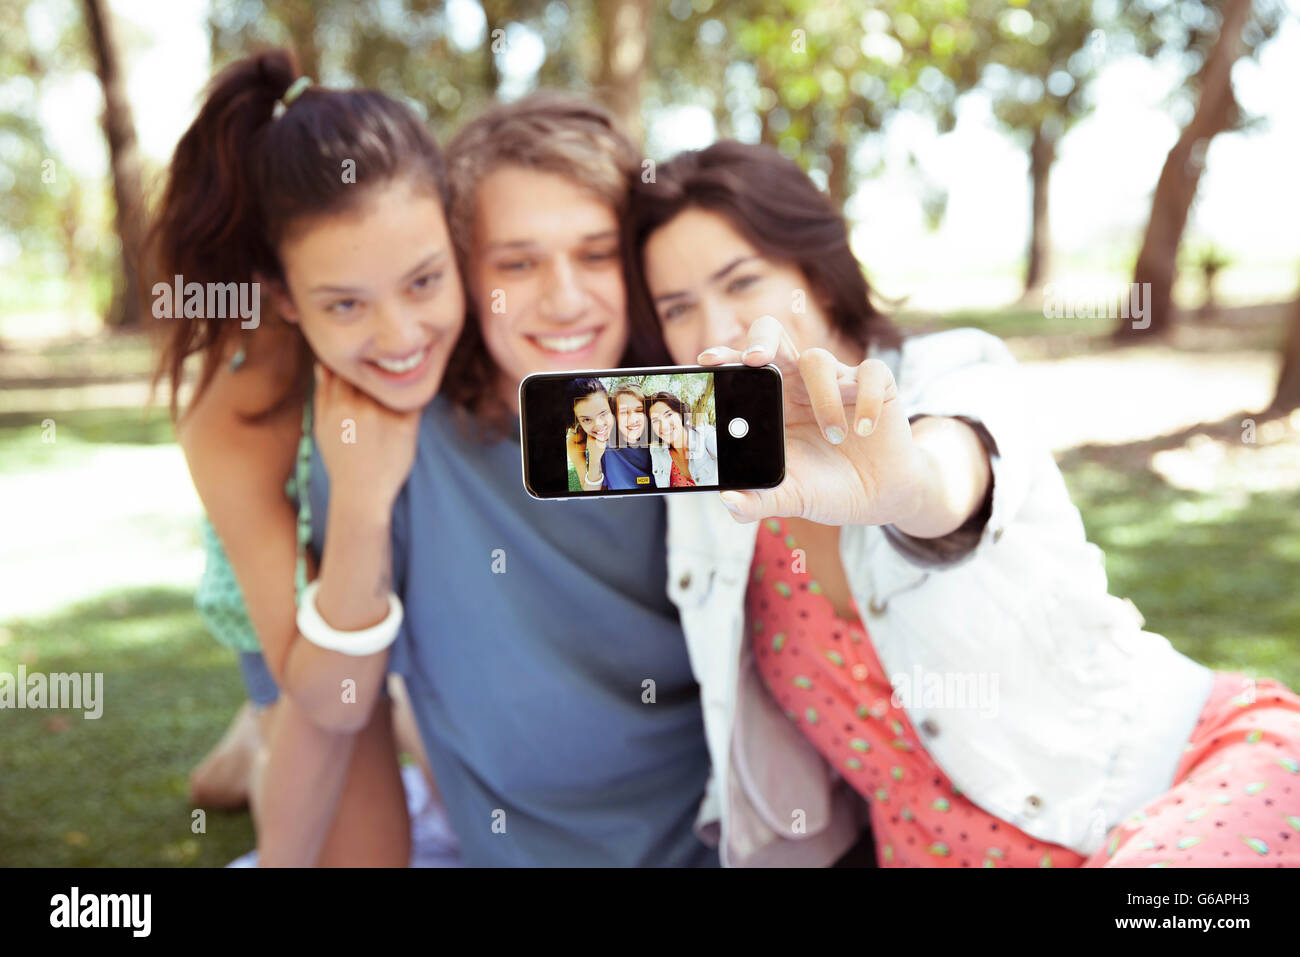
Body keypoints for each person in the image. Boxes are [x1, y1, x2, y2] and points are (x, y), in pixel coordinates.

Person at [625, 139, 1300, 867]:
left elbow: (953, 475)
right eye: (678, 306)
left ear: (815, 277)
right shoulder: (704, 493)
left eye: (743, 281)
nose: (714, 328)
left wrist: (903, 485)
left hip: (1179, 786)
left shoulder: (952, 373)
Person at [303, 93, 721, 866]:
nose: (564, 298)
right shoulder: (401, 434)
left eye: (595, 255)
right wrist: (361, 506)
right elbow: (337, 704)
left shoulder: (681, 417)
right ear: (462, 273)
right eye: (517, 263)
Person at [148, 49, 464, 866]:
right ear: (285, 297)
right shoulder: (239, 414)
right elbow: (327, 692)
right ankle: (245, 747)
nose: (400, 338)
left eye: (424, 281)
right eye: (346, 303)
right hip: (303, 634)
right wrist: (358, 502)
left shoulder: (491, 307)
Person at [647, 391, 718, 487]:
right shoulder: (656, 451)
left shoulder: (706, 436)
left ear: (680, 414)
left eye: (668, 415)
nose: (664, 426)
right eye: (655, 420)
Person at [565, 377, 614, 491]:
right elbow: (590, 491)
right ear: (578, 420)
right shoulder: (575, 442)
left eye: (603, 414)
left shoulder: (626, 423)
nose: (599, 424)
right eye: (587, 419)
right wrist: (594, 459)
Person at [603, 383, 655, 489]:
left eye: (639, 411)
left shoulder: (658, 446)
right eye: (623, 412)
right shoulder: (606, 450)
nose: (633, 419)